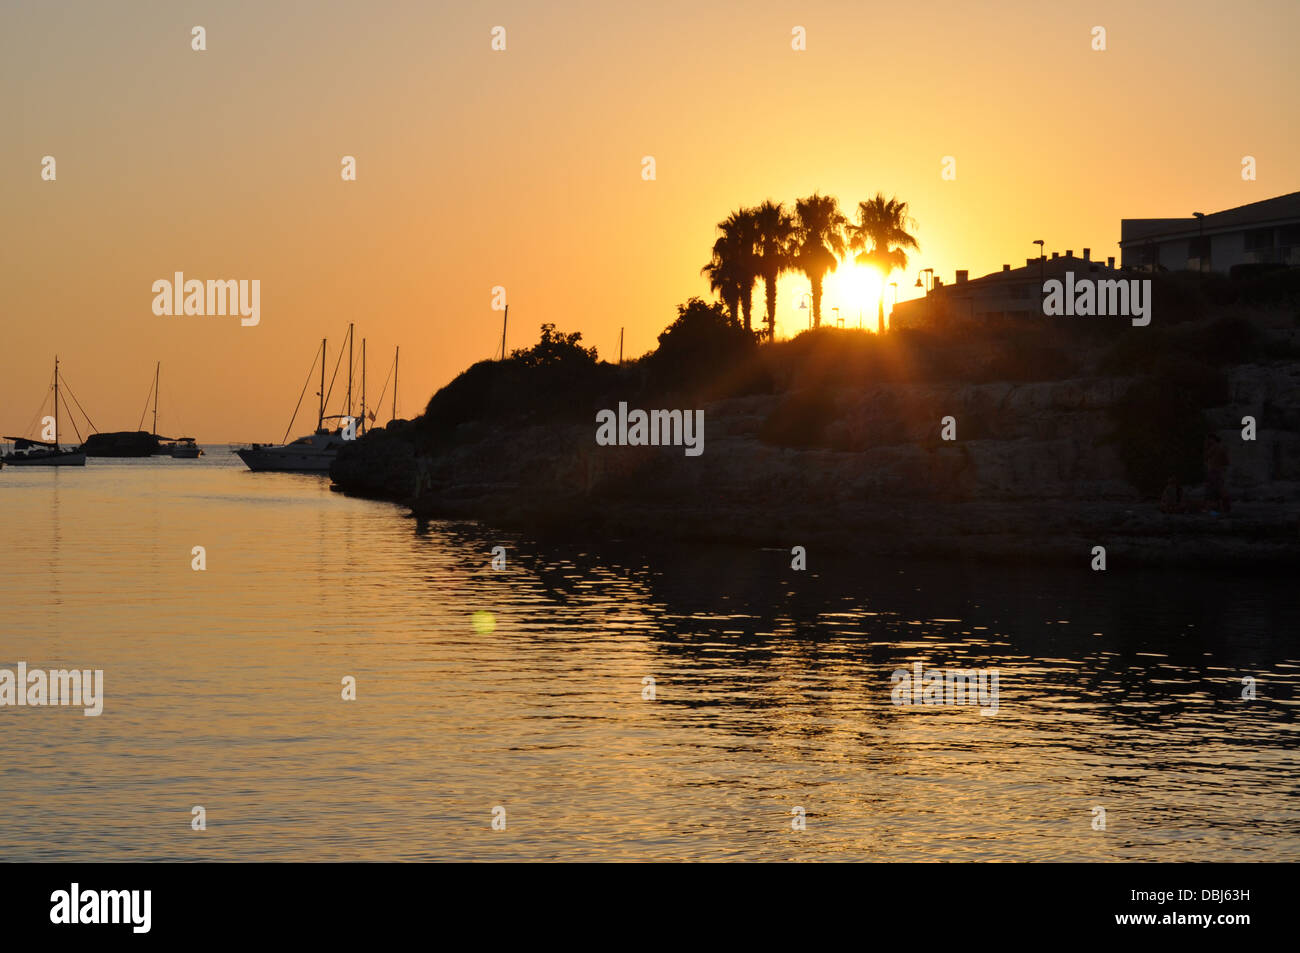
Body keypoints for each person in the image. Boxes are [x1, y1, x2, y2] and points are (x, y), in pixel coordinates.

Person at [1203, 434, 1230, 515]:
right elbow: (1227, 462)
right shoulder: (1222, 448)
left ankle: (1215, 511)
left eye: (1208, 439)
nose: (1207, 441)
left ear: (1212, 439)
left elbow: (1205, 457)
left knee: (1213, 491)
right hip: (1219, 472)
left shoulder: (1214, 448)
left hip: (1213, 472)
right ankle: (1222, 509)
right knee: (1218, 490)